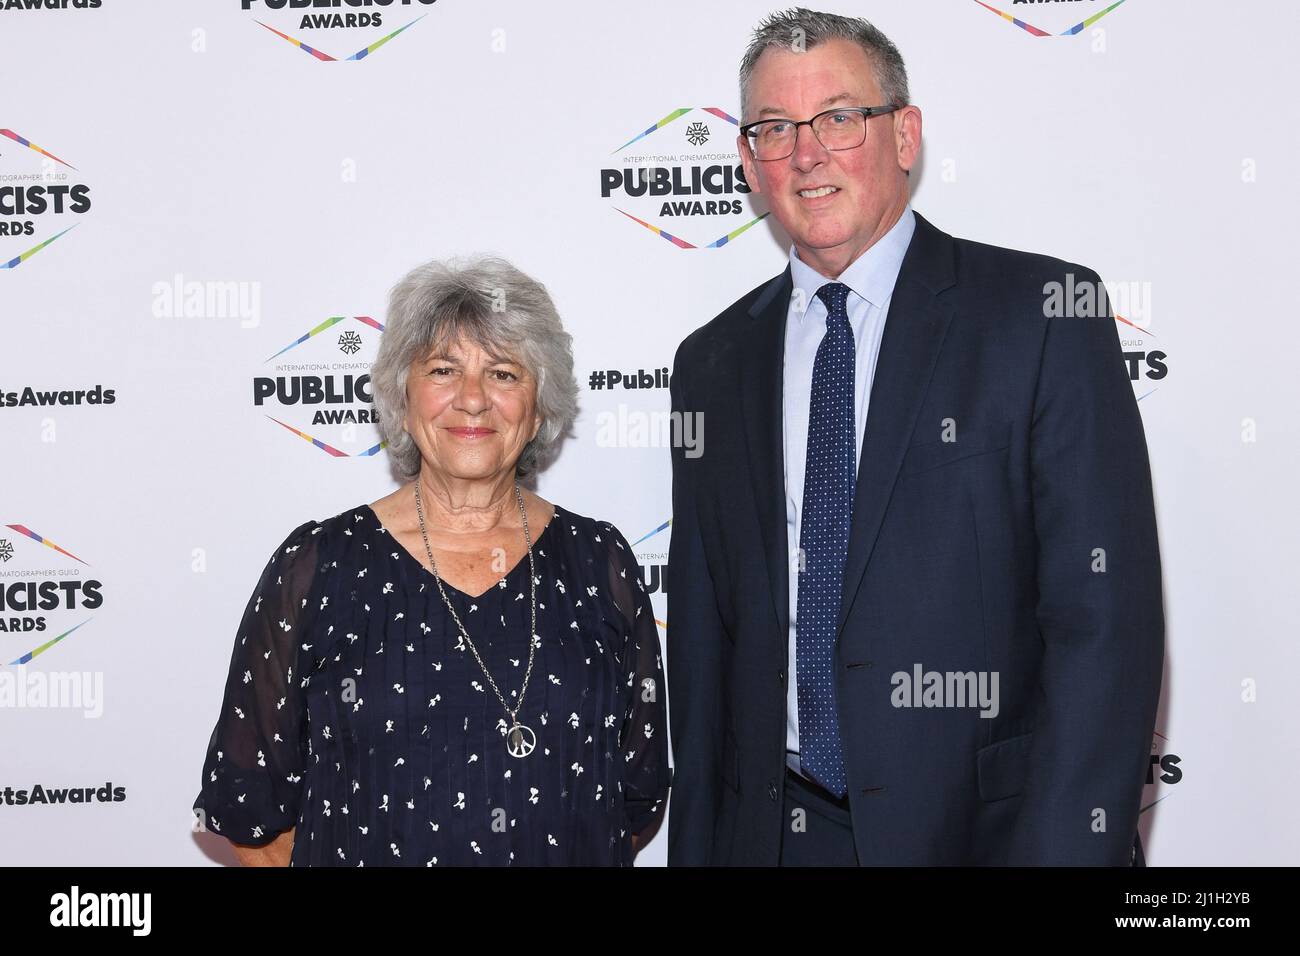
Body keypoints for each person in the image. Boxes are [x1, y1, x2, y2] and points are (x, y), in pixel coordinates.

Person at [666, 8, 1163, 866]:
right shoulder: (711, 362)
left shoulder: (1043, 317)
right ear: (748, 161)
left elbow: (1103, 626)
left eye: (838, 118)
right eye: (775, 128)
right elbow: (707, 649)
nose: (807, 152)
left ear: (905, 134)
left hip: (989, 839)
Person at [192, 255, 669, 866]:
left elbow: (635, 800)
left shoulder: (600, 565)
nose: (473, 400)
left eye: (503, 373)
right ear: (402, 393)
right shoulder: (317, 568)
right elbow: (247, 808)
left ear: (540, 403)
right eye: (444, 370)